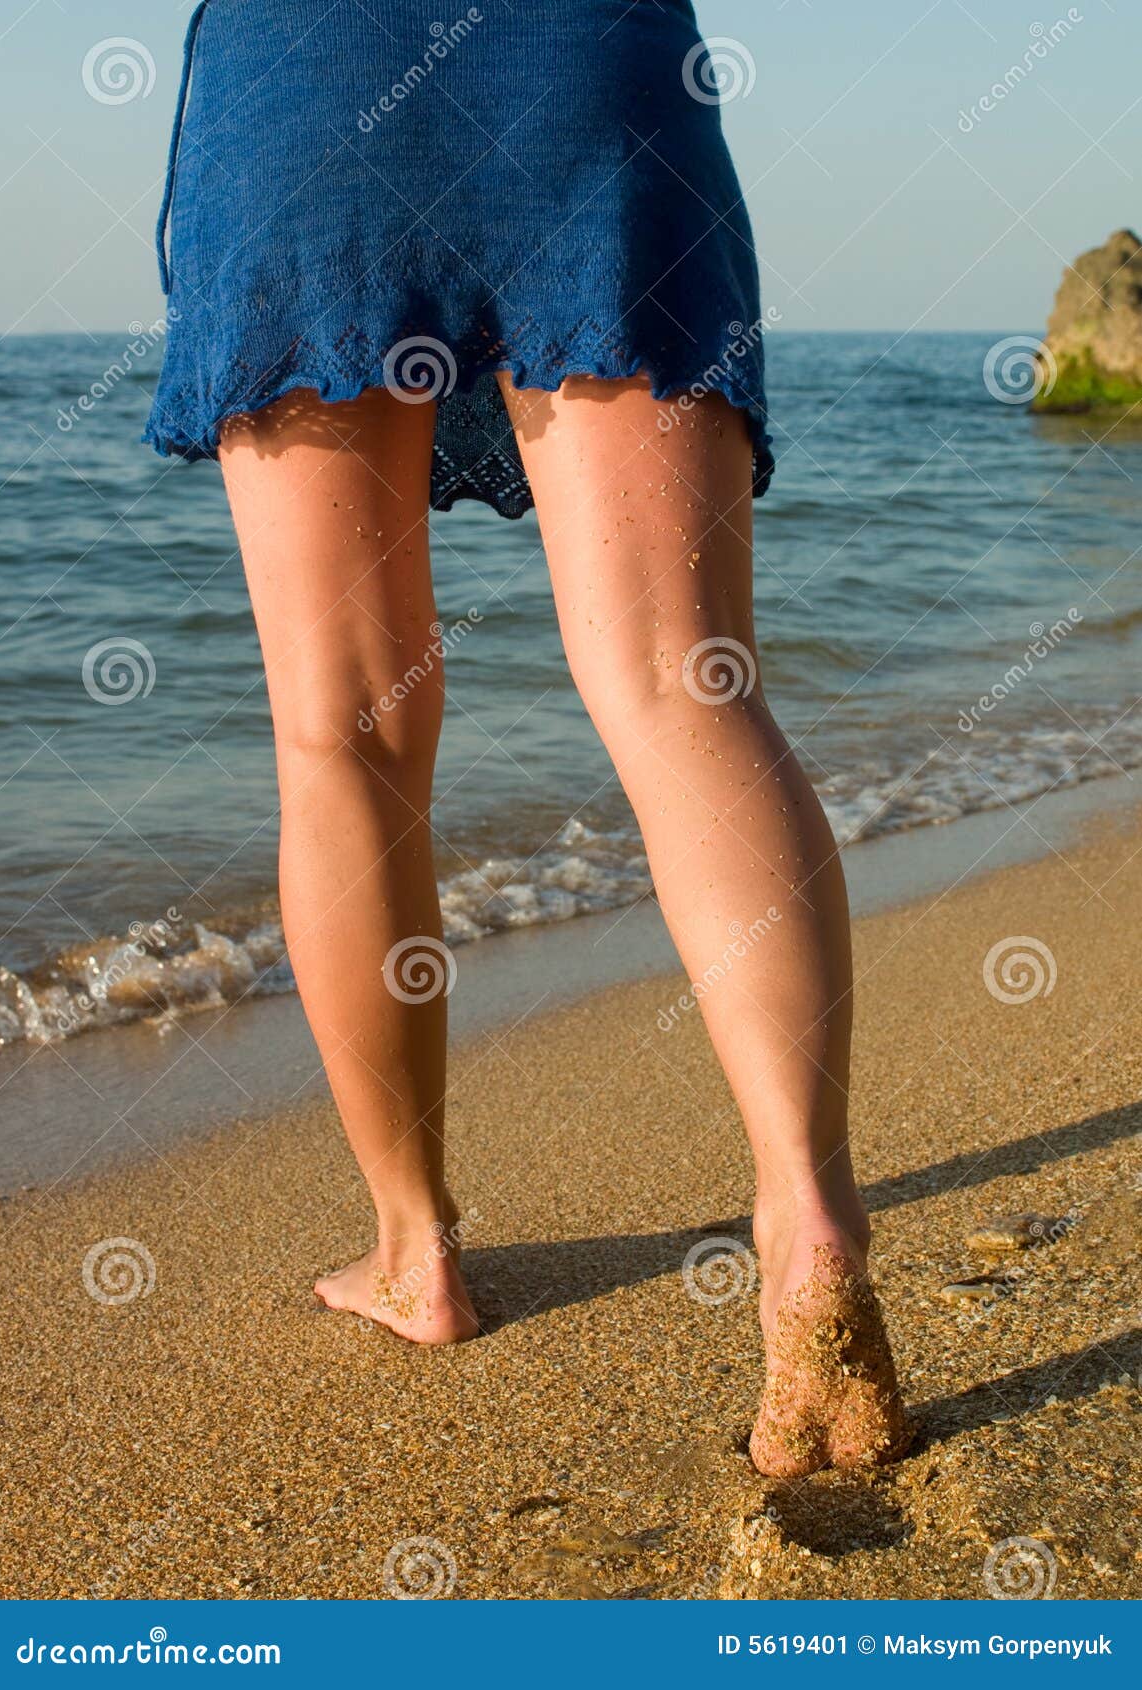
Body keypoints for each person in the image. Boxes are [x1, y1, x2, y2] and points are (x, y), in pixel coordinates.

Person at [146, 0, 909, 1478]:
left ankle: (413, 1250)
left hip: (303, 83)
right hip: (582, 63)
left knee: (344, 731)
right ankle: (807, 1213)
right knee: (684, 679)